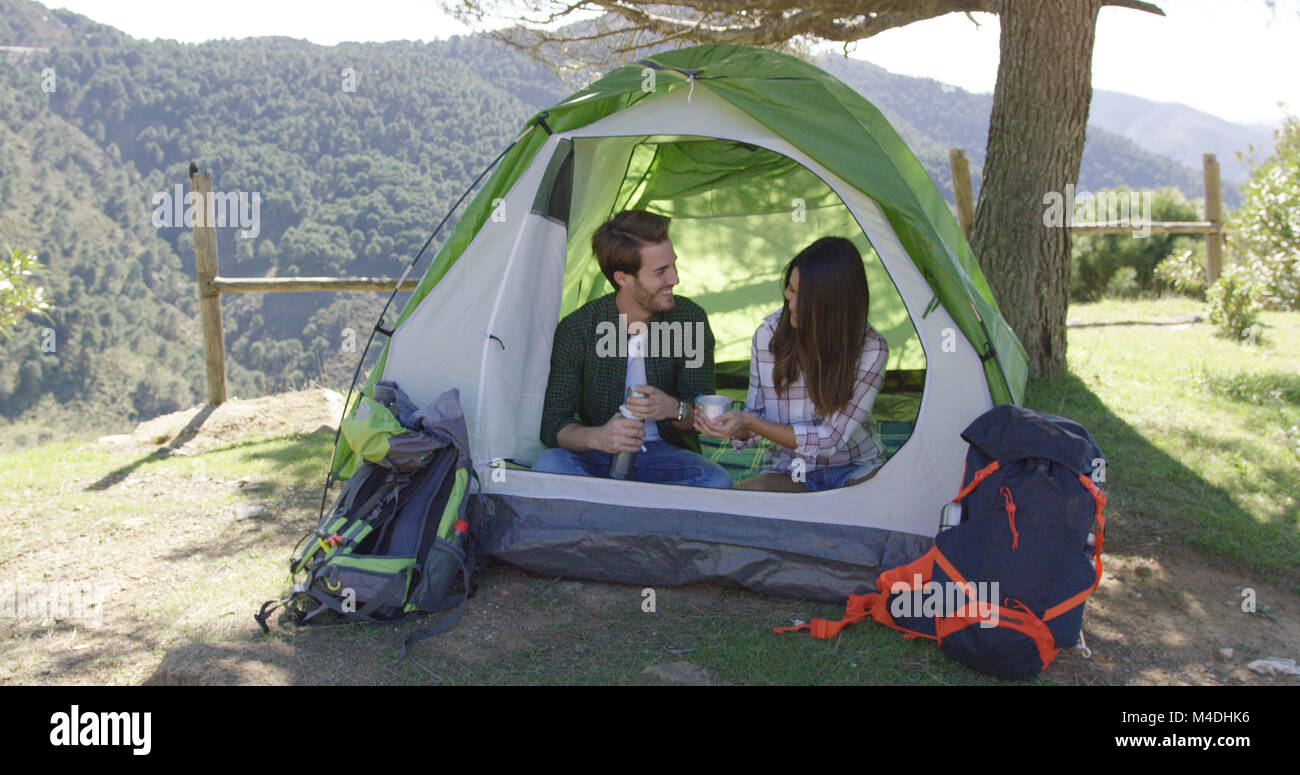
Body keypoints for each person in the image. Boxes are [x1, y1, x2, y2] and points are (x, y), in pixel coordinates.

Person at [533, 210, 733, 488]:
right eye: (661, 272)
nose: (674, 279)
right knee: (548, 465)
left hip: (666, 457)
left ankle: (607, 511)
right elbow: (553, 424)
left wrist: (672, 409)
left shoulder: (689, 319)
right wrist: (599, 437)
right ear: (623, 278)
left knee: (717, 481)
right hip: (598, 454)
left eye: (673, 266)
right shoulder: (579, 328)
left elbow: (701, 414)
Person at [695, 236, 888, 492]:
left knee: (875, 519)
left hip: (854, 468)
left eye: (801, 295)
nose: (789, 299)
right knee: (731, 513)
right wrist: (736, 426)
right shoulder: (768, 336)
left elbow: (830, 439)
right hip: (790, 470)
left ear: (833, 304)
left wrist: (751, 423)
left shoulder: (871, 348)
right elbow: (755, 417)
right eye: (790, 288)